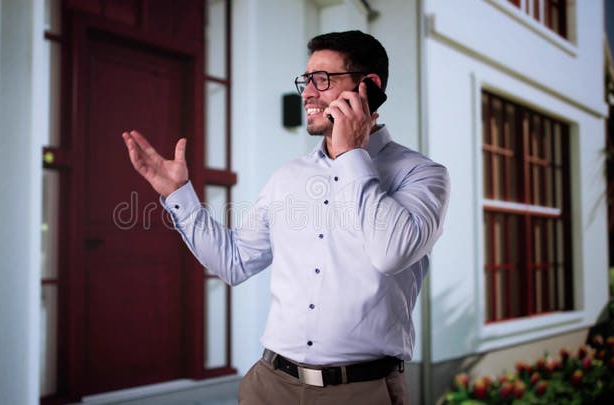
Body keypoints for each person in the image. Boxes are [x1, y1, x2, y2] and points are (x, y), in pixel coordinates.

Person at [121, 30, 450, 405]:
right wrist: (177, 195)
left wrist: (350, 156)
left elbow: (391, 252)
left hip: (362, 391)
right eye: (306, 80)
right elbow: (234, 262)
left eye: (322, 80)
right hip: (269, 385)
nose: (308, 92)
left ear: (369, 87)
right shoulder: (288, 177)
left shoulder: (422, 175)